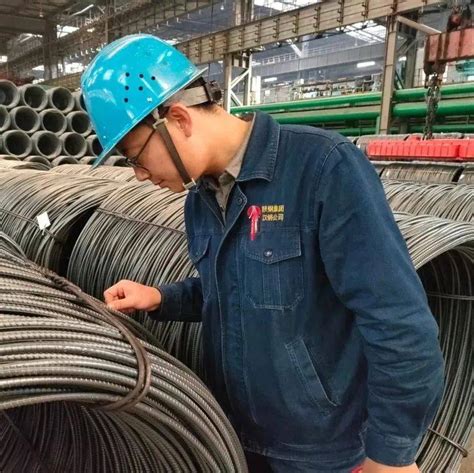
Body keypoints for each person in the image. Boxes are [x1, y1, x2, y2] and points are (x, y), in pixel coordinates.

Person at [81, 34, 444, 473]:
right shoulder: (201, 199)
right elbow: (233, 290)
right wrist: (161, 298)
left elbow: (398, 321)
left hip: (318, 453)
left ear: (178, 119)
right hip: (235, 437)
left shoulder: (323, 168)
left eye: (136, 156)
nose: (140, 175)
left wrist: (391, 454)